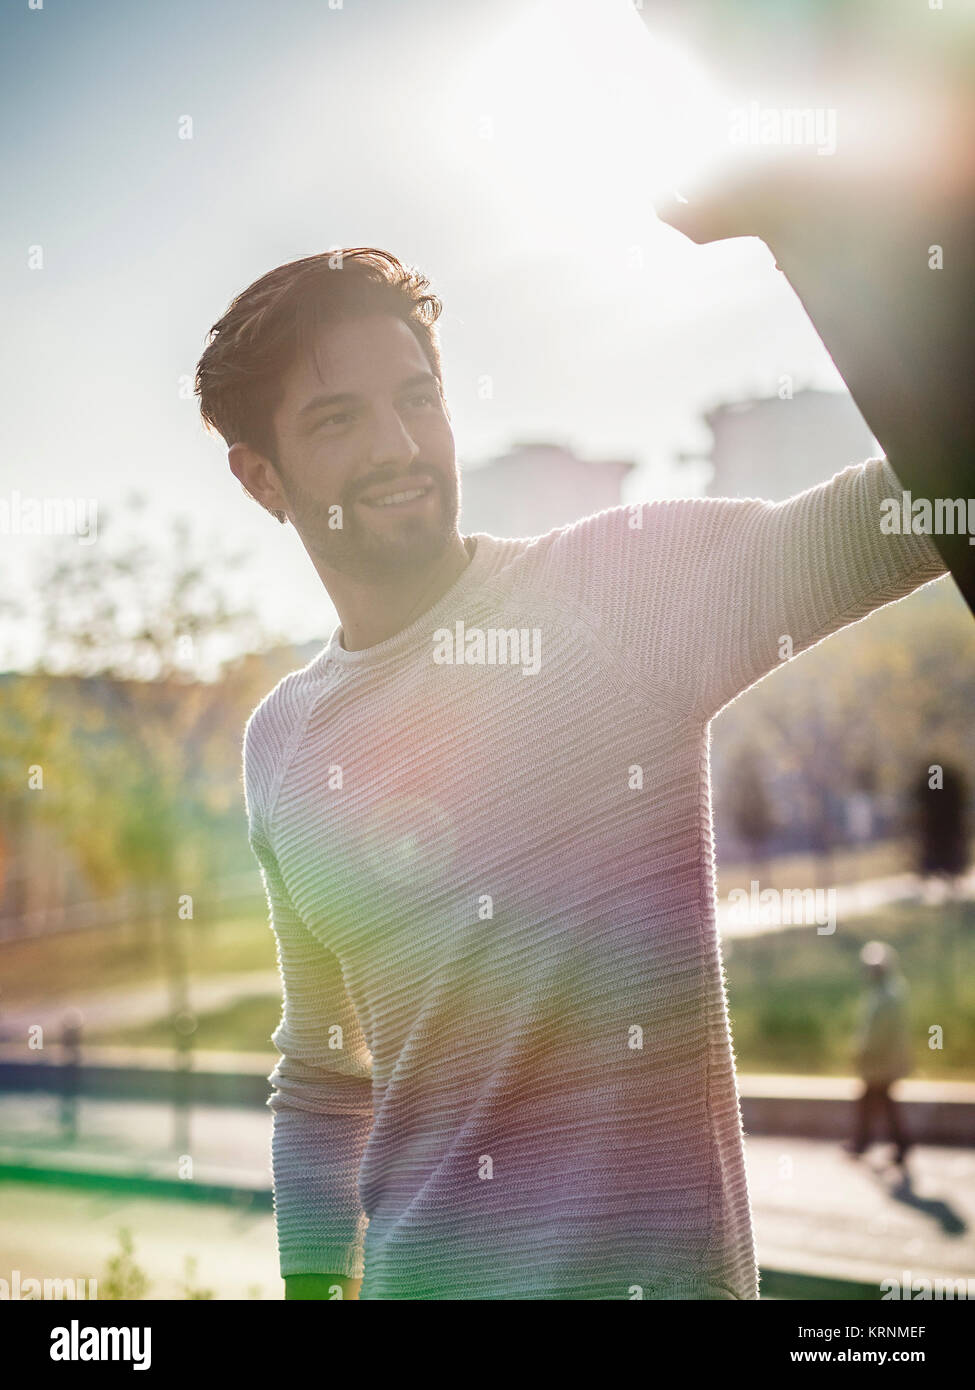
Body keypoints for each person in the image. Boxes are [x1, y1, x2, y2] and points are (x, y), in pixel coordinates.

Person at [194, 247, 947, 1300]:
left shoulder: (617, 594)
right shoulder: (280, 740)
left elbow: (924, 503)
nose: (403, 445)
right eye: (338, 419)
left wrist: (819, 240)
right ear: (260, 475)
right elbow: (322, 1077)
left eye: (420, 399)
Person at [846, 941, 914, 1168]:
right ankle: (876, 1142)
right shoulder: (888, 993)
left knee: (873, 1101)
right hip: (882, 1062)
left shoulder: (886, 996)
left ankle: (867, 1142)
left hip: (881, 1062)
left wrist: (864, 1050)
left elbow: (878, 1034)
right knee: (880, 1101)